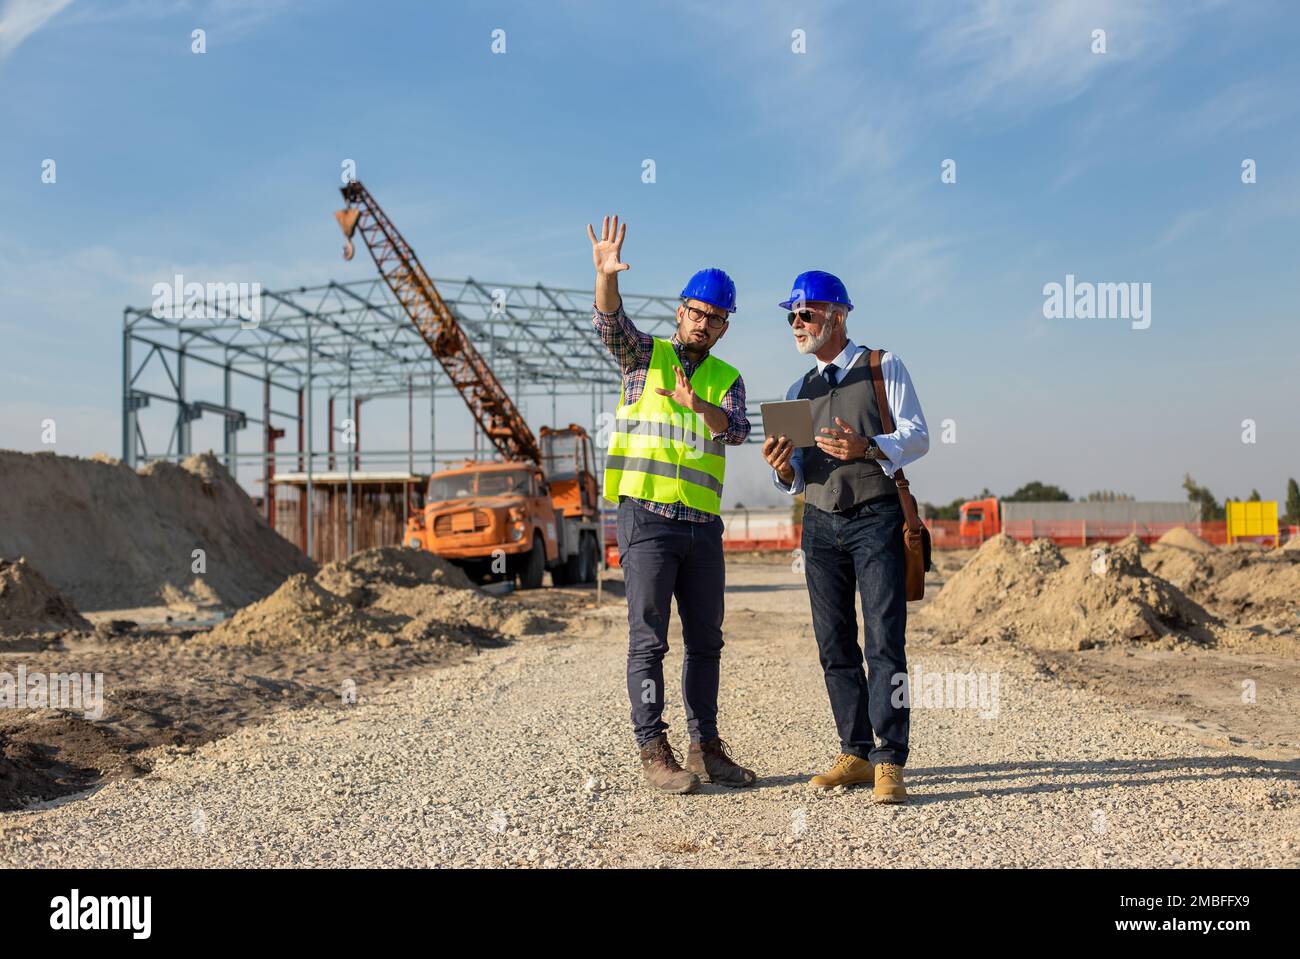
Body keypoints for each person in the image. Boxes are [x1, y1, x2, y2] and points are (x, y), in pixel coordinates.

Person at [587, 214, 756, 794]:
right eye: (697, 312)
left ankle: (705, 745)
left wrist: (698, 407)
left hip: (702, 528)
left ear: (723, 327)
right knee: (649, 638)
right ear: (681, 310)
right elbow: (608, 322)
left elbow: (734, 431)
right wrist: (606, 276)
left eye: (716, 318)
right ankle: (653, 748)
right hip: (648, 518)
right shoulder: (643, 357)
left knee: (706, 639)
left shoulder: (728, 378)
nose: (704, 323)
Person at [762, 271, 929, 803]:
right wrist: (781, 469)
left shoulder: (882, 367)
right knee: (834, 643)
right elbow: (794, 477)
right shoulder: (798, 390)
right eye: (791, 316)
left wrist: (868, 447)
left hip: (875, 516)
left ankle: (889, 758)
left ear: (837, 315)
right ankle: (854, 752)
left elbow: (918, 435)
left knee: (883, 639)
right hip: (818, 525)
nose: (796, 323)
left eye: (804, 314)